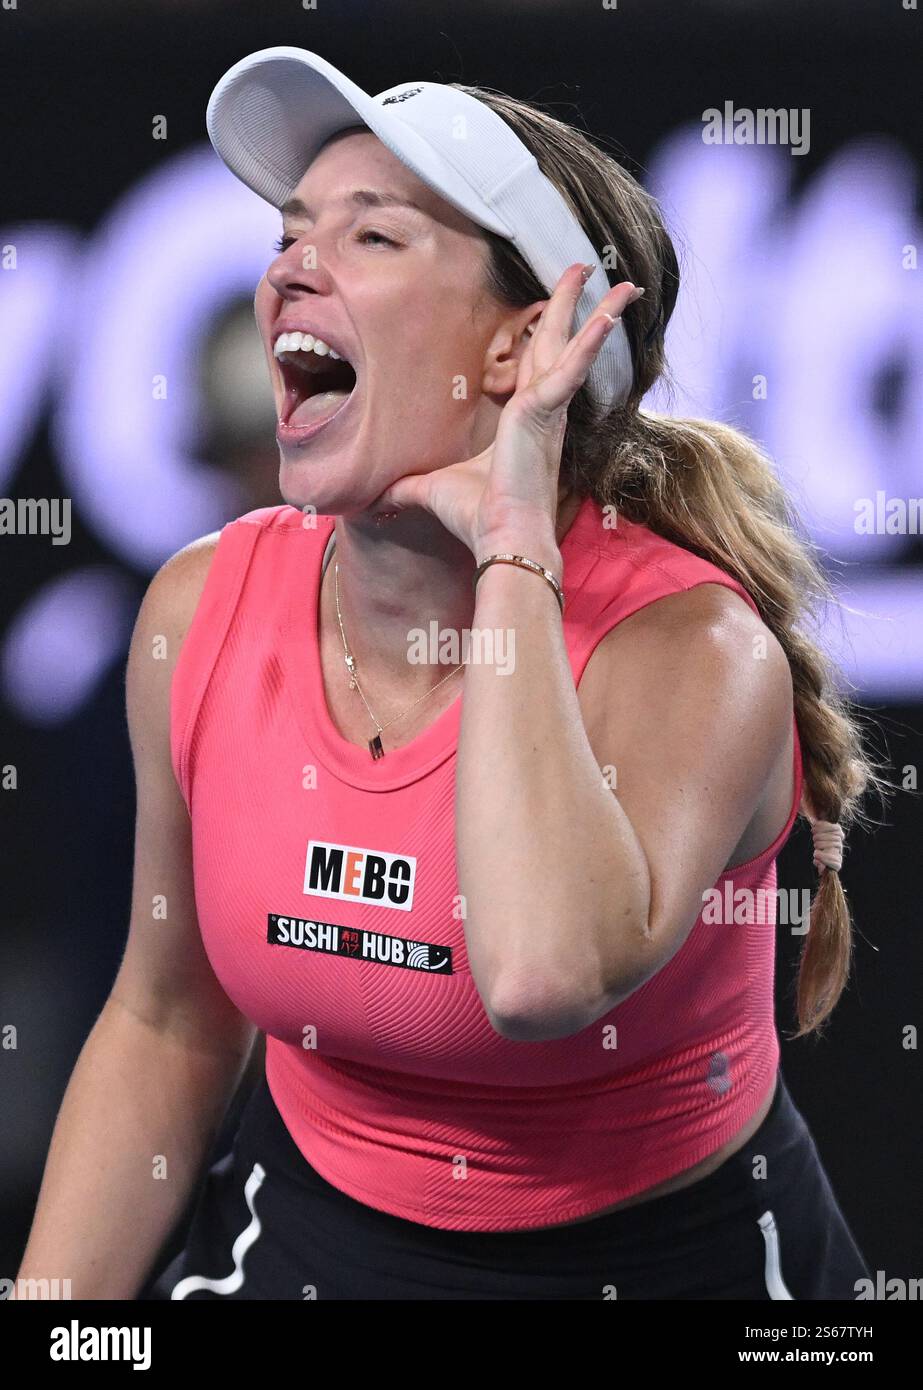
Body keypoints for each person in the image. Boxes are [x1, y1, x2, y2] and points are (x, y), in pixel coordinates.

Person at [15, 48, 881, 1302]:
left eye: (371, 237)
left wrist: (512, 543)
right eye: (290, 232)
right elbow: (167, 1020)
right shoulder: (197, 609)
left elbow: (535, 976)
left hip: (668, 1268)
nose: (287, 270)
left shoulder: (694, 653)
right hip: (307, 1237)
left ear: (522, 341)